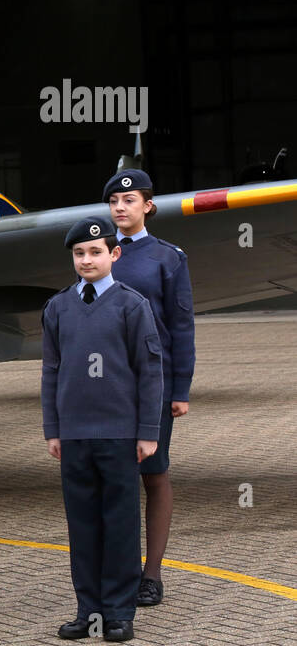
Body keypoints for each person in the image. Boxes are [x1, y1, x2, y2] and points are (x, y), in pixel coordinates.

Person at [42, 215, 162, 643]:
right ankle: (87, 609)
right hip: (74, 436)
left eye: (96, 252)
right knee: (83, 523)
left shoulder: (132, 305)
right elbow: (51, 372)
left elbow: (149, 372)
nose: (86, 259)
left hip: (119, 434)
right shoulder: (58, 307)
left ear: (115, 254)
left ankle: (118, 611)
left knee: (120, 522)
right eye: (79, 253)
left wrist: (148, 431)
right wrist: (52, 429)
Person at [103, 168, 194, 608]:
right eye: (115, 202)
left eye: (130, 201)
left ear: (148, 206)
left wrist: (181, 389)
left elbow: (181, 327)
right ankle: (117, 568)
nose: (121, 208)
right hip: (104, 386)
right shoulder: (100, 252)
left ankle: (151, 574)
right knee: (112, 478)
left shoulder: (167, 257)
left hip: (149, 384)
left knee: (153, 474)